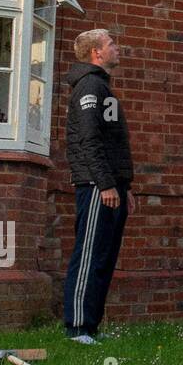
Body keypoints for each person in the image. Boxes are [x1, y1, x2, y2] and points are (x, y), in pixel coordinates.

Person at [62, 29, 134, 344]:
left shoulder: (104, 87)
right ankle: (77, 327)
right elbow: (89, 140)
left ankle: (90, 327)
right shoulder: (90, 86)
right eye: (111, 44)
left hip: (110, 185)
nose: (117, 48)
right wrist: (105, 183)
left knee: (104, 255)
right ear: (96, 53)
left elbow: (112, 143)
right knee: (89, 253)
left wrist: (124, 185)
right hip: (95, 186)